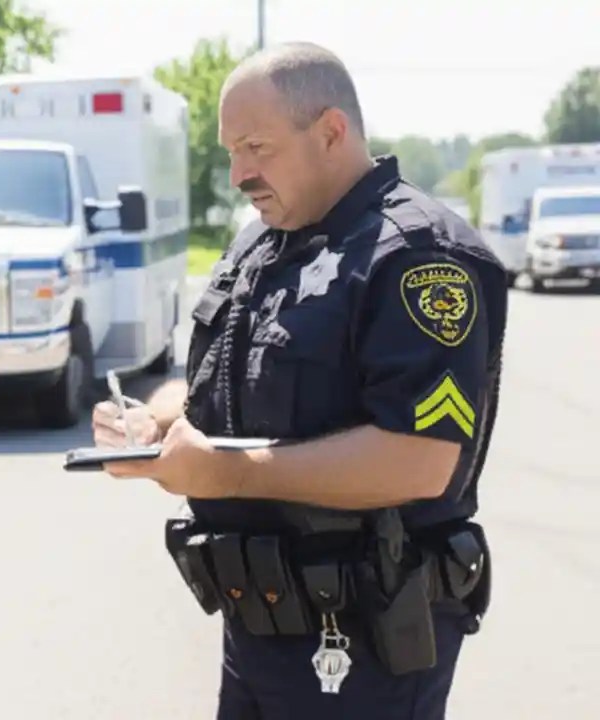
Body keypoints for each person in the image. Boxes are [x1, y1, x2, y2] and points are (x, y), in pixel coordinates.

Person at [93, 42, 506, 719]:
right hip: (260, 625)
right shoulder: (260, 245)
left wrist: (231, 474)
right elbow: (214, 380)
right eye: (231, 151)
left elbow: (421, 459)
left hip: (366, 641)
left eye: (256, 147)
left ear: (331, 133)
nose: (238, 174)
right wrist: (155, 423)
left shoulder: (417, 256)